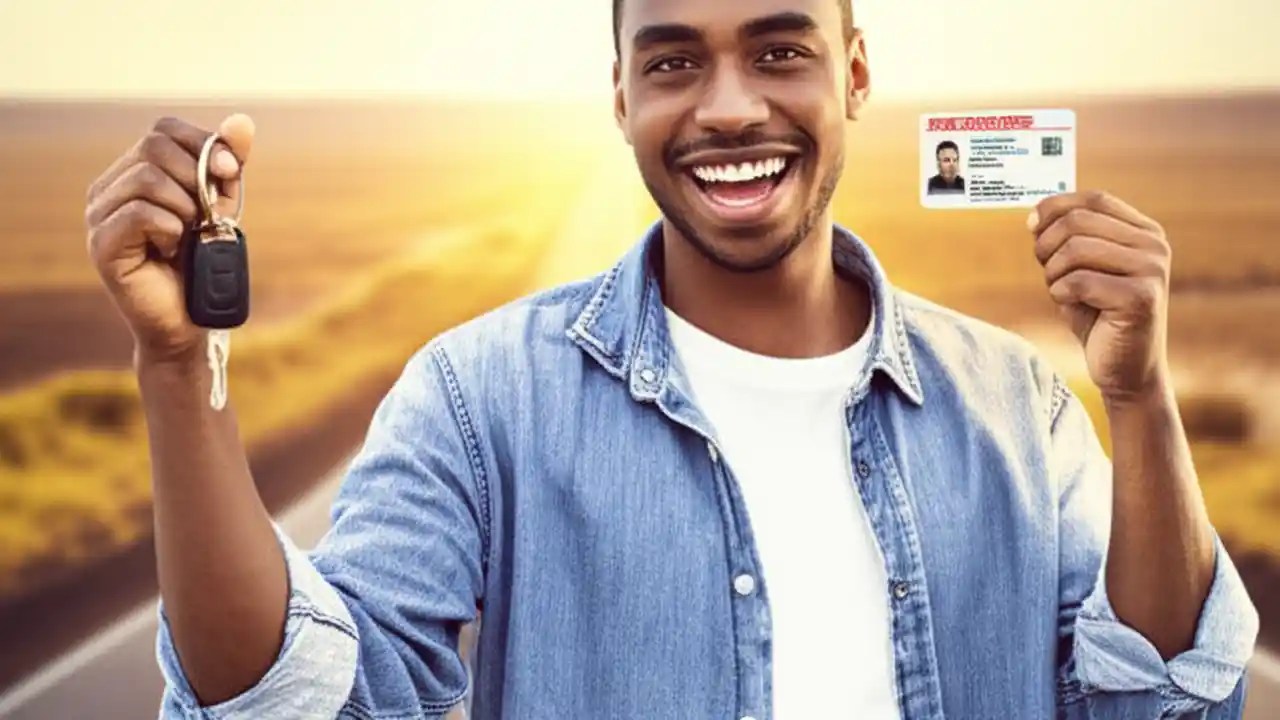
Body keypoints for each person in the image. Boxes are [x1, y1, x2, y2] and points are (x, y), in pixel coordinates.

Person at [81, 0, 1258, 718]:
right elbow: (306, 707)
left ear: (853, 74)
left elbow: (1155, 705)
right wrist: (178, 372)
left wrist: (1138, 395)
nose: (728, 107)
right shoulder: (481, 399)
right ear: (621, 95)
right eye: (673, 61)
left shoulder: (1015, 402)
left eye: (779, 51)